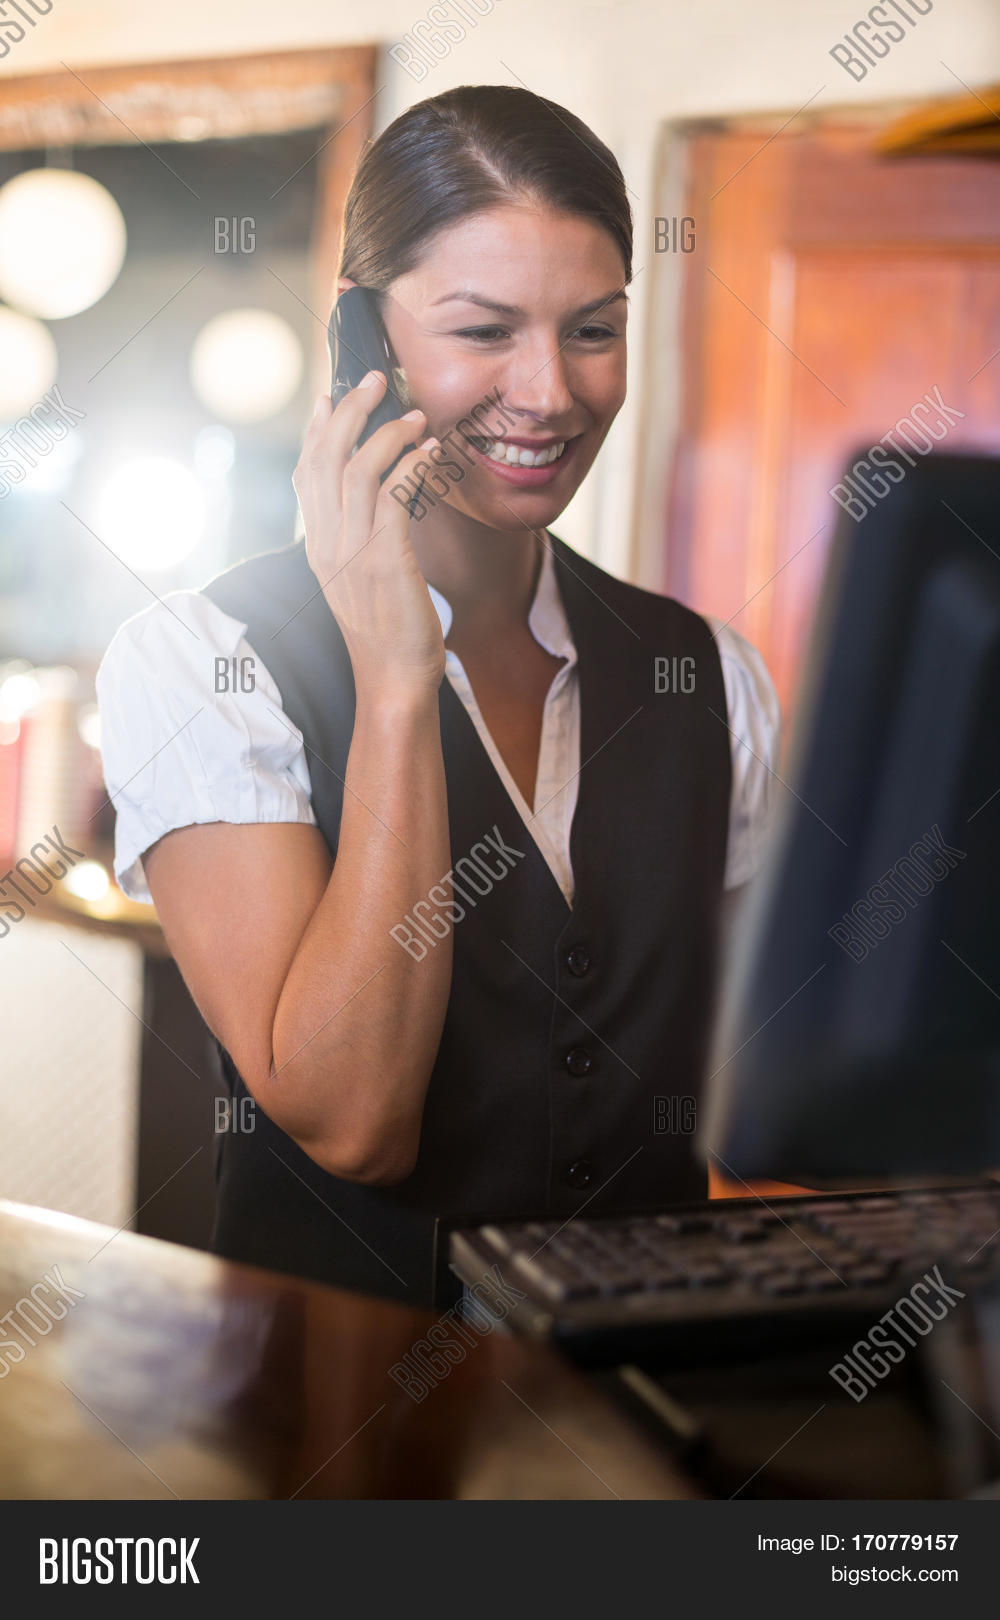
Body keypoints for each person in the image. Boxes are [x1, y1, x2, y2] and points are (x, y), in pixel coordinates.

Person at [96, 84, 781, 1308]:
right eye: (484, 331)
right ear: (363, 342)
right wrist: (400, 678)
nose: (551, 392)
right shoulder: (205, 663)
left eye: (591, 328)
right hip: (339, 1431)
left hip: (641, 1428)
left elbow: (759, 1085)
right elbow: (355, 1126)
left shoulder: (706, 672)